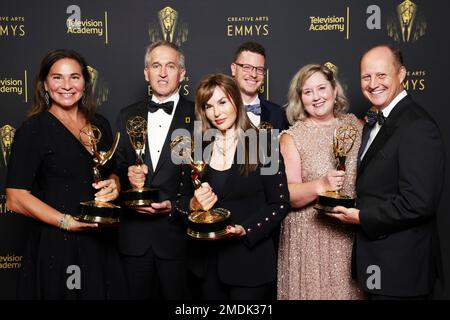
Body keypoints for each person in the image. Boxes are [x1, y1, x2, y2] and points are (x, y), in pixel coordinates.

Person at [6, 49, 126, 299]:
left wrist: (114, 183)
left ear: (85, 82)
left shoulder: (100, 123)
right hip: (58, 246)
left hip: (101, 241)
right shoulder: (33, 130)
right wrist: (67, 222)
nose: (67, 85)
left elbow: (111, 170)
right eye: (57, 78)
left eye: (75, 77)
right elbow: (15, 198)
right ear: (45, 85)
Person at [330, 45, 445, 300]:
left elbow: (419, 202)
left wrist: (362, 217)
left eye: (381, 75)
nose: (373, 84)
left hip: (402, 270)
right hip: (380, 266)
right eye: (366, 77)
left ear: (401, 74)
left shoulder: (417, 125)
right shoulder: (376, 120)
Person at [182, 73, 290, 300]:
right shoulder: (198, 148)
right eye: (208, 106)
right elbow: (180, 202)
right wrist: (193, 204)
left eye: (222, 102)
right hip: (207, 265)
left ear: (236, 100)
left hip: (250, 263)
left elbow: (280, 203)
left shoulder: (264, 144)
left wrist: (247, 229)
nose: (217, 112)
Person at [277, 64, 364, 300]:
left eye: (322, 88)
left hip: (349, 234)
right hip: (308, 237)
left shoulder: (357, 126)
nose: (316, 97)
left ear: (334, 90)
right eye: (307, 92)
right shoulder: (291, 137)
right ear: (300, 99)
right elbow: (290, 195)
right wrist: (320, 184)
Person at [115, 41, 194, 299]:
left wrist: (176, 205)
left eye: (170, 66)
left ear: (182, 73)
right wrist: (128, 179)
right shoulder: (126, 115)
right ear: (145, 72)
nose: (162, 73)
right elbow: (115, 170)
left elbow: (206, 177)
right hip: (134, 241)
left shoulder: (199, 116)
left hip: (178, 239)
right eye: (156, 66)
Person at [231, 41, 288, 130]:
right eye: (247, 67)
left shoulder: (278, 114)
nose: (253, 74)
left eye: (259, 69)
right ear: (234, 69)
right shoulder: (218, 111)